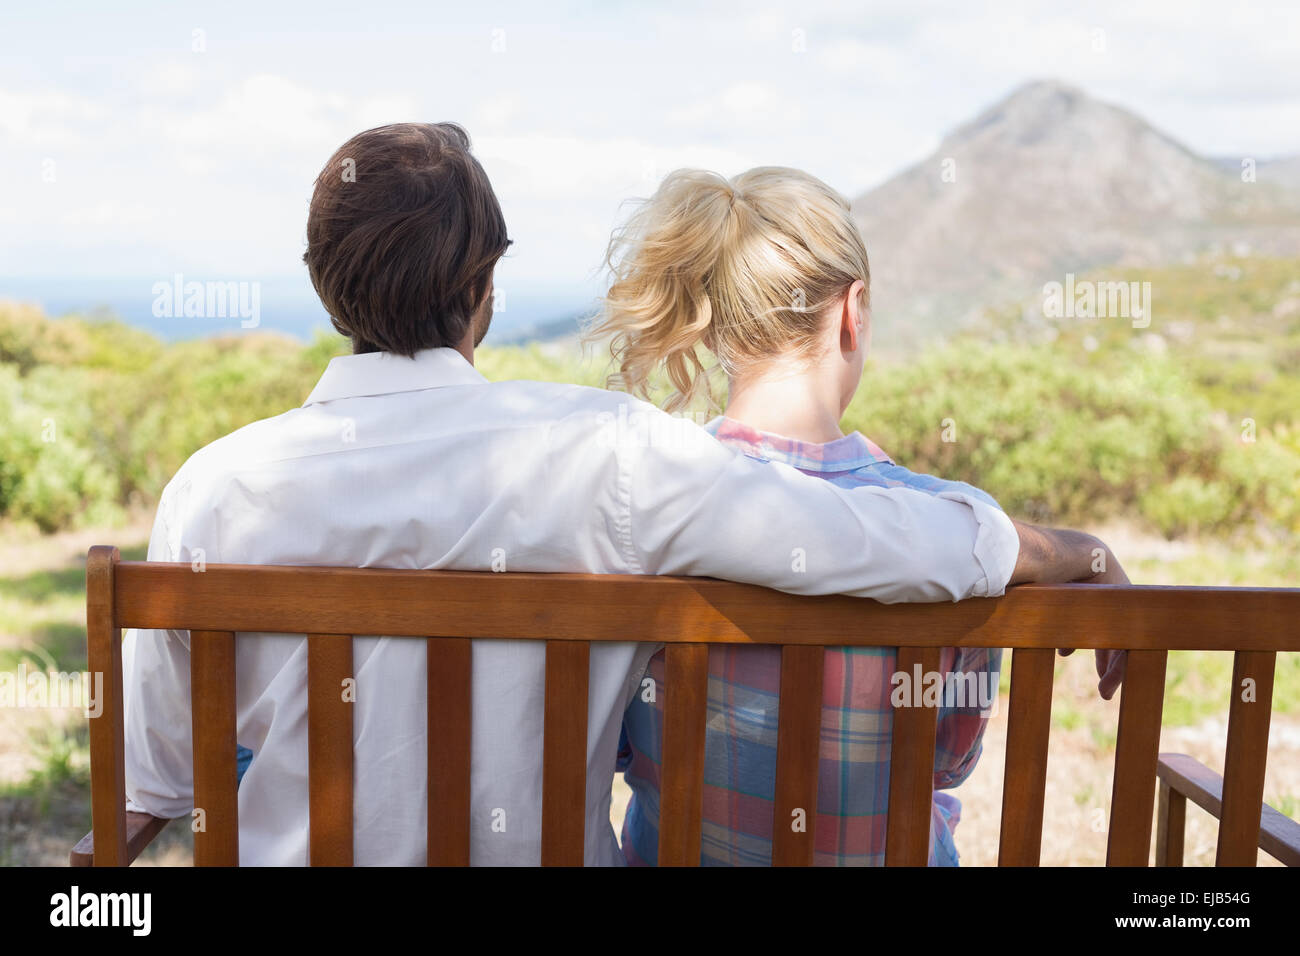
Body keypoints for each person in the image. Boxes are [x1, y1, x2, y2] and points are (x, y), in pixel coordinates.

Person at [120, 124, 1109, 866]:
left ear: (324, 287)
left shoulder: (214, 488)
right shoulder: (604, 456)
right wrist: (1071, 550)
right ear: (485, 287)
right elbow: (873, 540)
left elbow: (151, 785)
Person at [586, 166, 1128, 866]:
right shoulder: (952, 529)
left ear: (716, 322)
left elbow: (620, 742)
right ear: (853, 310)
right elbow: (949, 758)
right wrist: (1080, 550)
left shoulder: (644, 510)